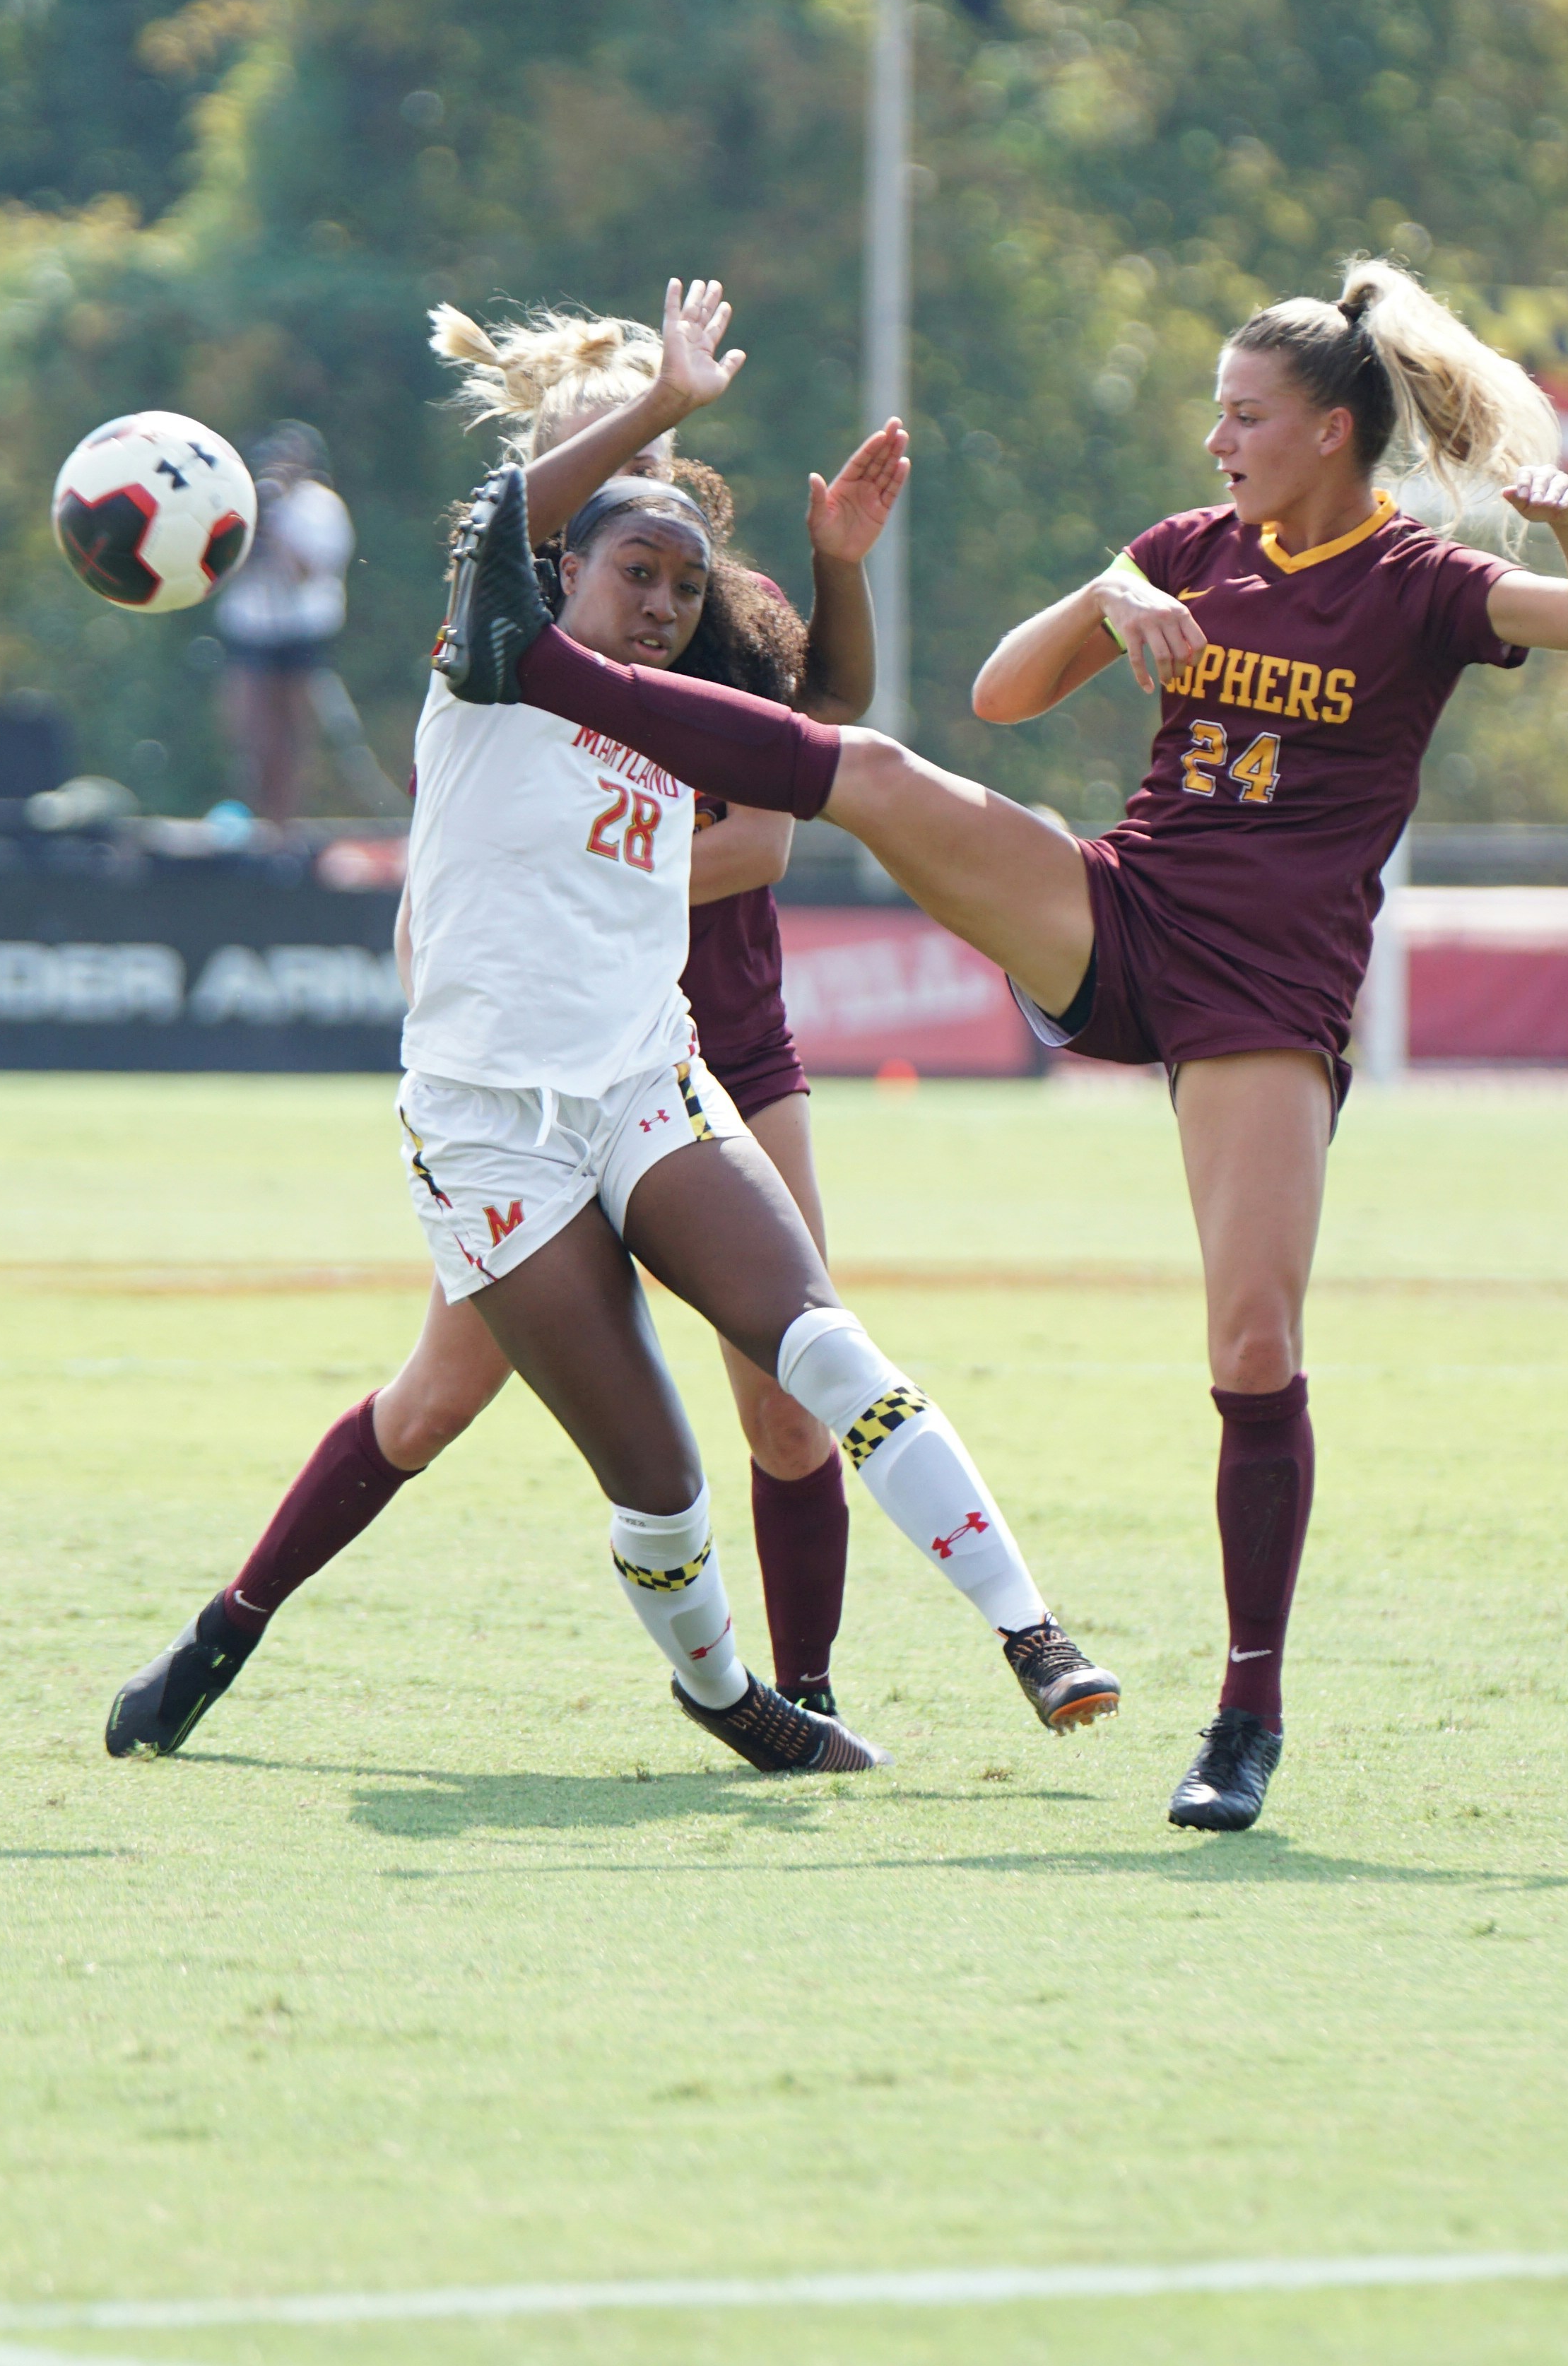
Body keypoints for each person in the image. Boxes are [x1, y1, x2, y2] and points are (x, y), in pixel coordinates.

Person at [427, 259, 1568, 1832]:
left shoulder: (1417, 576)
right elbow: (1002, 695)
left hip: (1267, 994)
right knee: (864, 765)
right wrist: (1109, 593)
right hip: (1117, 913)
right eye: (1215, 412)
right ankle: (544, 670)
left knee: (1253, 1348)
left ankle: (1242, 1720)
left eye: (1245, 416)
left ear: (1334, 432)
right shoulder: (1194, 544)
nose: (1217, 441)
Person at [123, 424, 1116, 1776]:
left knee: (821, 1352)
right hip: (493, 1136)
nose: (660, 605)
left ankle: (1032, 1633)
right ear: (560, 566)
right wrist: (656, 389)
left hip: (656, 1080)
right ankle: (717, 1692)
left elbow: (818, 720)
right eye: (632, 573)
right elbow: (488, 533)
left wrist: (836, 571)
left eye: (683, 586)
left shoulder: (677, 690)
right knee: (653, 1486)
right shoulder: (486, 673)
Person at [213, 420, 355, 825]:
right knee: (252, 734)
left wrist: (276, 533)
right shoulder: (247, 502)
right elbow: (225, 571)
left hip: (301, 632)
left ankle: (287, 823)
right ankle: (255, 821)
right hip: (250, 631)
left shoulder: (320, 507)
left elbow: (309, 573)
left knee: (293, 735)